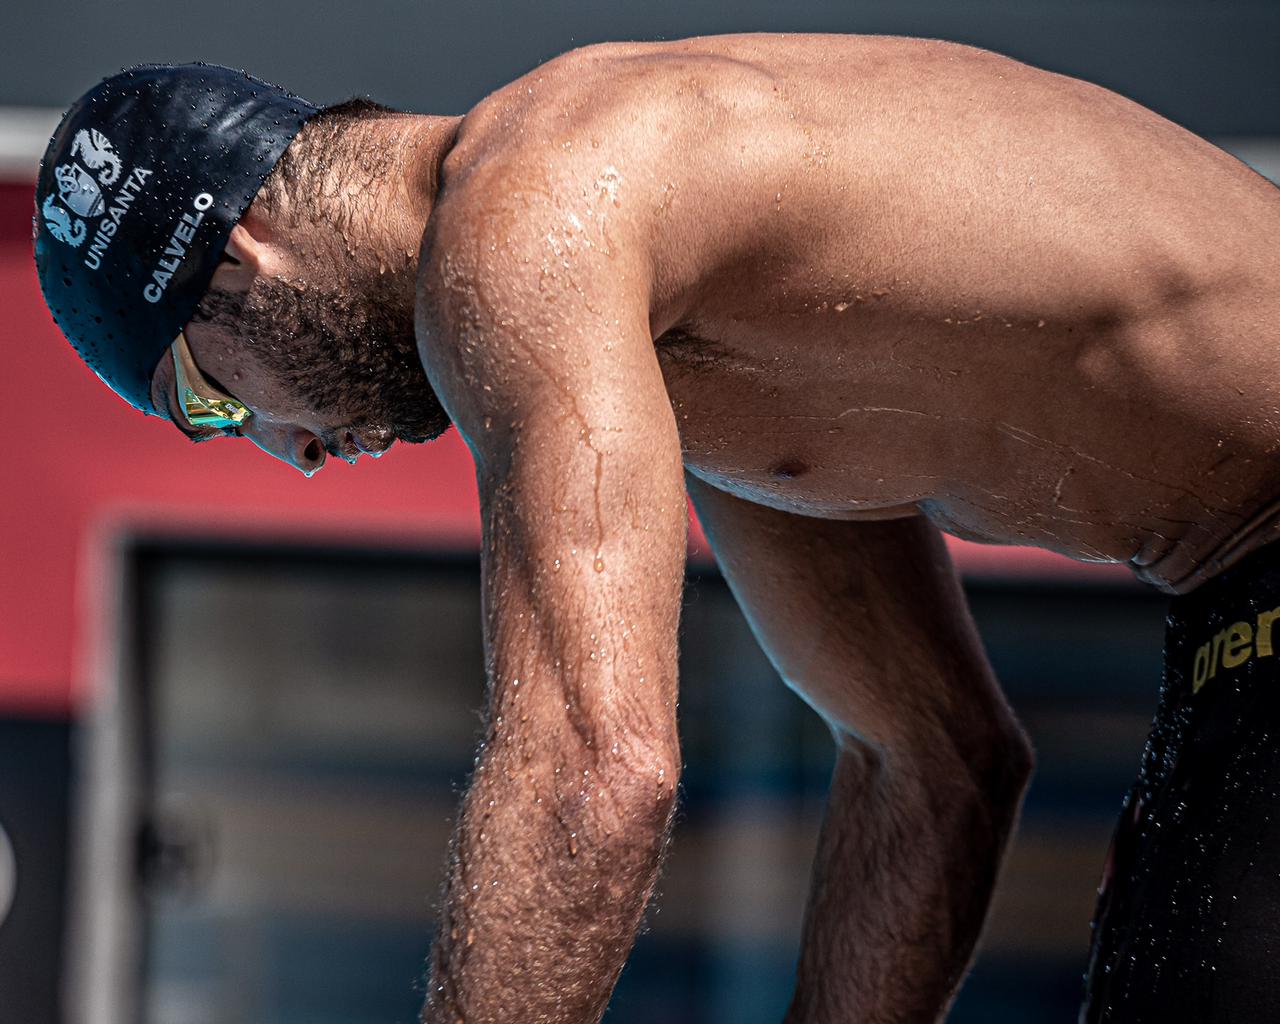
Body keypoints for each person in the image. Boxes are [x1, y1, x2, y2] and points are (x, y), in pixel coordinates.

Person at [32, 33, 1280, 1024]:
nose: (283, 448)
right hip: (1230, 604)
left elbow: (591, 772)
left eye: (208, 398)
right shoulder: (695, 332)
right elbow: (930, 763)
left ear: (239, 254)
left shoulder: (526, 210)